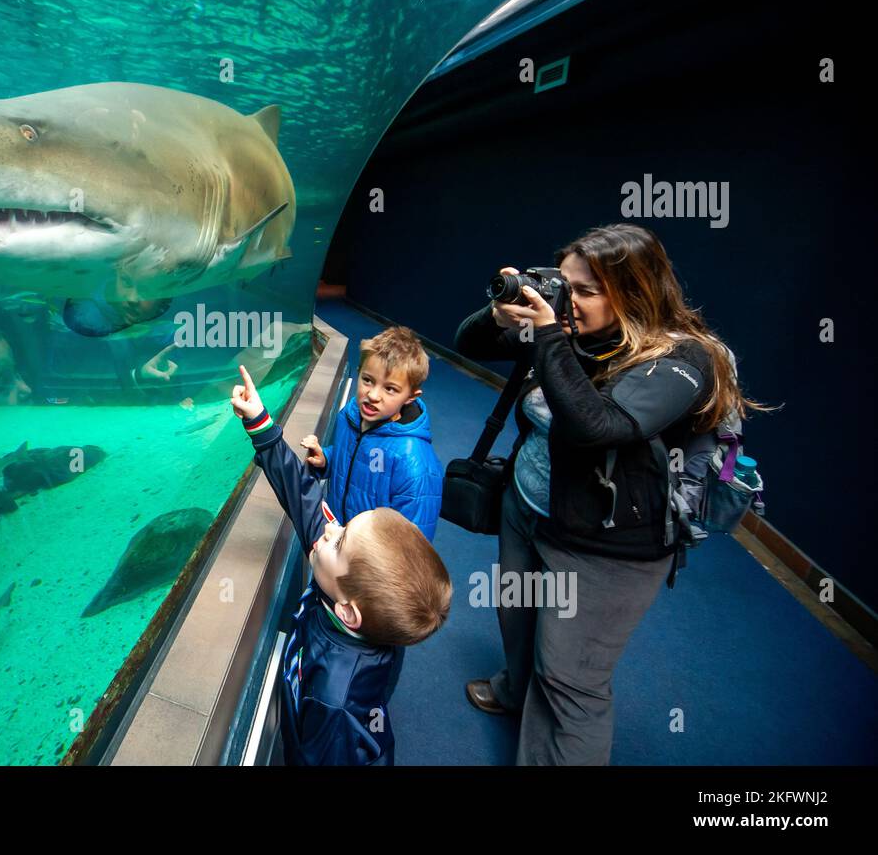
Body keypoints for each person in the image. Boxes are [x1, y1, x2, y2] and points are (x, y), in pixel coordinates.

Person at [454, 223, 770, 765]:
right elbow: (469, 343)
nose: (566, 300)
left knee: (570, 678)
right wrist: (498, 315)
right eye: (563, 285)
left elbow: (596, 426)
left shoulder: (682, 360)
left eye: (583, 291)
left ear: (633, 291)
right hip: (528, 506)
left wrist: (550, 333)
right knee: (517, 613)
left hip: (607, 545)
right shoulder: (570, 330)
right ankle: (513, 690)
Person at [230, 364, 452, 765]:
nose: (329, 531)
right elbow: (306, 501)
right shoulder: (346, 583)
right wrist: (260, 425)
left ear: (349, 612)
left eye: (339, 539)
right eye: (342, 529)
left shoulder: (338, 701)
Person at [298, 326, 444, 541]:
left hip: (371, 566)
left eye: (390, 389)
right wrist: (326, 459)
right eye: (367, 380)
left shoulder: (415, 462)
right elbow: (354, 459)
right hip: (336, 543)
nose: (373, 395)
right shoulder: (350, 418)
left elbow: (414, 543)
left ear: (411, 397)